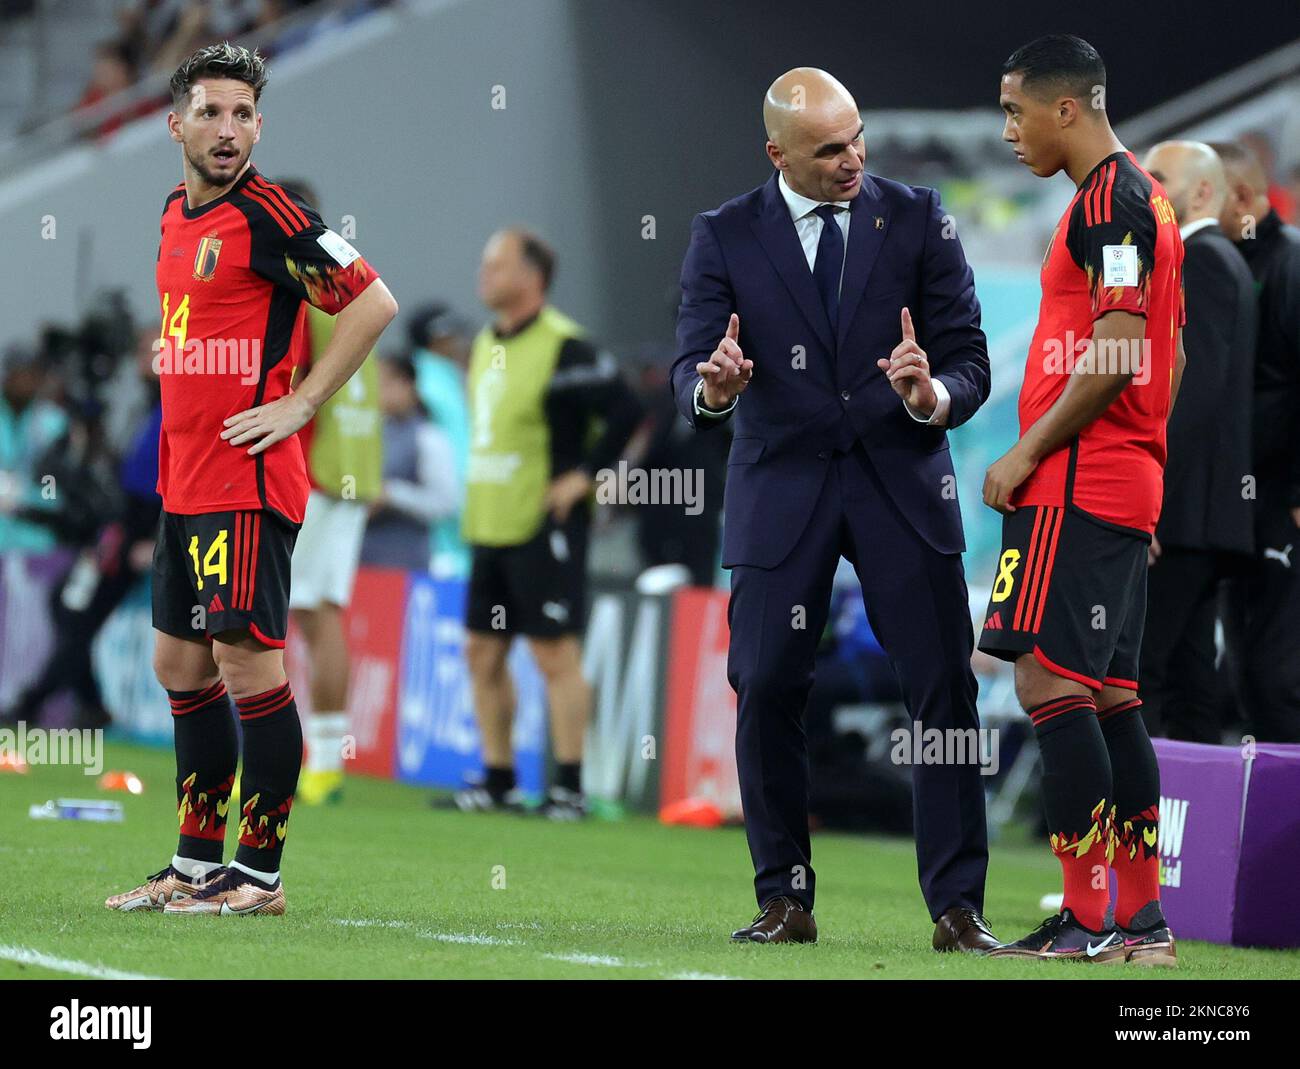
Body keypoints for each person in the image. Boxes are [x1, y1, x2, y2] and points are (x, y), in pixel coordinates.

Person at [672, 68, 994, 948]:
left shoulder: (921, 216)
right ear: (776, 154)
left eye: (857, 139)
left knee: (943, 689)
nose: (852, 159)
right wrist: (716, 389)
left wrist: (932, 396)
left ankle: (958, 907)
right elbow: (690, 367)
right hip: (783, 482)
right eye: (828, 150)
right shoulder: (724, 234)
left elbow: (969, 358)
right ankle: (785, 895)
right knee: (768, 682)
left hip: (902, 479)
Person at [104, 42, 397, 916]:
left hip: (245, 484)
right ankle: (194, 865)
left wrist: (302, 402)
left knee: (248, 670)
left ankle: (259, 874)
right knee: (179, 667)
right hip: (182, 482)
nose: (228, 130)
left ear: (258, 125)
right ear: (176, 124)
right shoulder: (173, 214)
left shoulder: (272, 216)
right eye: (211, 113)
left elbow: (372, 300)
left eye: (242, 115)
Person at [980, 35, 1184, 965]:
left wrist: (1025, 452)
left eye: (1017, 110)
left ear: (1068, 108)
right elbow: (1168, 357)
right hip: (1120, 481)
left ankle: (1086, 914)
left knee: (1047, 681)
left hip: (1074, 482)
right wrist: (1147, 465)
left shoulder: (1109, 204)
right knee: (1112, 696)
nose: (1010, 131)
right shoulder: (1151, 200)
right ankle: (1141, 922)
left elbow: (1114, 349)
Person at [457, 228, 642, 820]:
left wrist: (586, 474)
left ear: (532, 279)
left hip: (544, 525)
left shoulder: (569, 347)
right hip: (488, 520)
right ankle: (498, 780)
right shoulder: (486, 339)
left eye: (497, 265)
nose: (484, 275)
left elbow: (628, 408)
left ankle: (567, 788)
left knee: (553, 656)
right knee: (482, 654)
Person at [1137, 142, 1257, 744]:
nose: (1147, 187)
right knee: (1188, 678)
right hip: (1205, 515)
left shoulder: (1200, 262)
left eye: (1159, 178)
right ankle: (1188, 832)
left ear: (1203, 192)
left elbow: (1192, 395)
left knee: (1138, 675)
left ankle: (1134, 830)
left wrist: (1149, 501)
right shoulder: (1223, 260)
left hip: (1182, 514)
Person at [277, 177, 385, 808]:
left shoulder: (299, 271)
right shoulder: (344, 271)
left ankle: (316, 761)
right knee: (316, 614)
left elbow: (293, 377)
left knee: (307, 615)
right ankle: (318, 759)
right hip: (348, 469)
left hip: (315, 469)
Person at [1213, 140, 1300, 744]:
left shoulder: (1291, 265)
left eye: (1201, 197)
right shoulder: (1225, 263)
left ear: (1242, 197)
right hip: (1236, 505)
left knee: (1277, 677)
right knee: (1245, 671)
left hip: (1282, 503)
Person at [360, 355, 460, 570]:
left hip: (405, 567)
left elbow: (445, 502)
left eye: (385, 383)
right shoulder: (369, 431)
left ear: (407, 385)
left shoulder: (429, 438)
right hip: (360, 562)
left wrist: (391, 495)